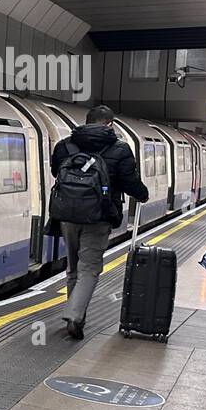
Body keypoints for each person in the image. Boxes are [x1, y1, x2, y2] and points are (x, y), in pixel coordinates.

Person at [49, 105, 149, 339]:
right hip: (99, 216)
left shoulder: (65, 146)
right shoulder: (120, 149)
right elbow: (129, 182)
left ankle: (77, 316)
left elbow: (57, 172)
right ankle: (74, 316)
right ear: (110, 124)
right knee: (90, 268)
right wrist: (142, 194)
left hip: (67, 215)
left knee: (73, 267)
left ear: (86, 121)